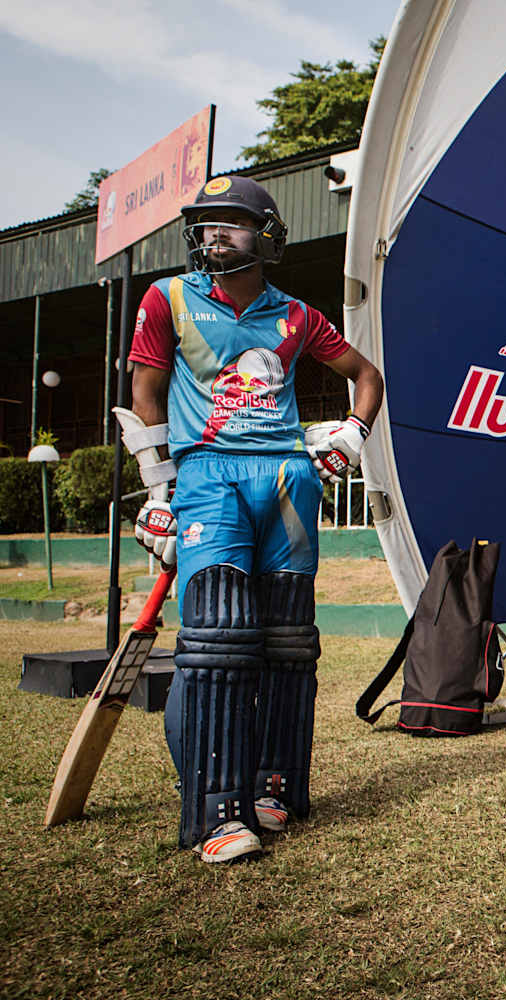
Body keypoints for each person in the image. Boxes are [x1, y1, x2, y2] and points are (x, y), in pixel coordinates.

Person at [124, 175, 385, 862]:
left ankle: (275, 789)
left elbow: (367, 375)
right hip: (207, 476)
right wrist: (157, 493)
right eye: (205, 224)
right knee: (219, 638)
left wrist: (352, 437)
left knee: (289, 643)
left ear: (268, 236)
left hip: (288, 480)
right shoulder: (168, 299)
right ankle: (216, 814)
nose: (213, 235)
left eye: (232, 223)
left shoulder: (296, 316)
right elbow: (144, 391)